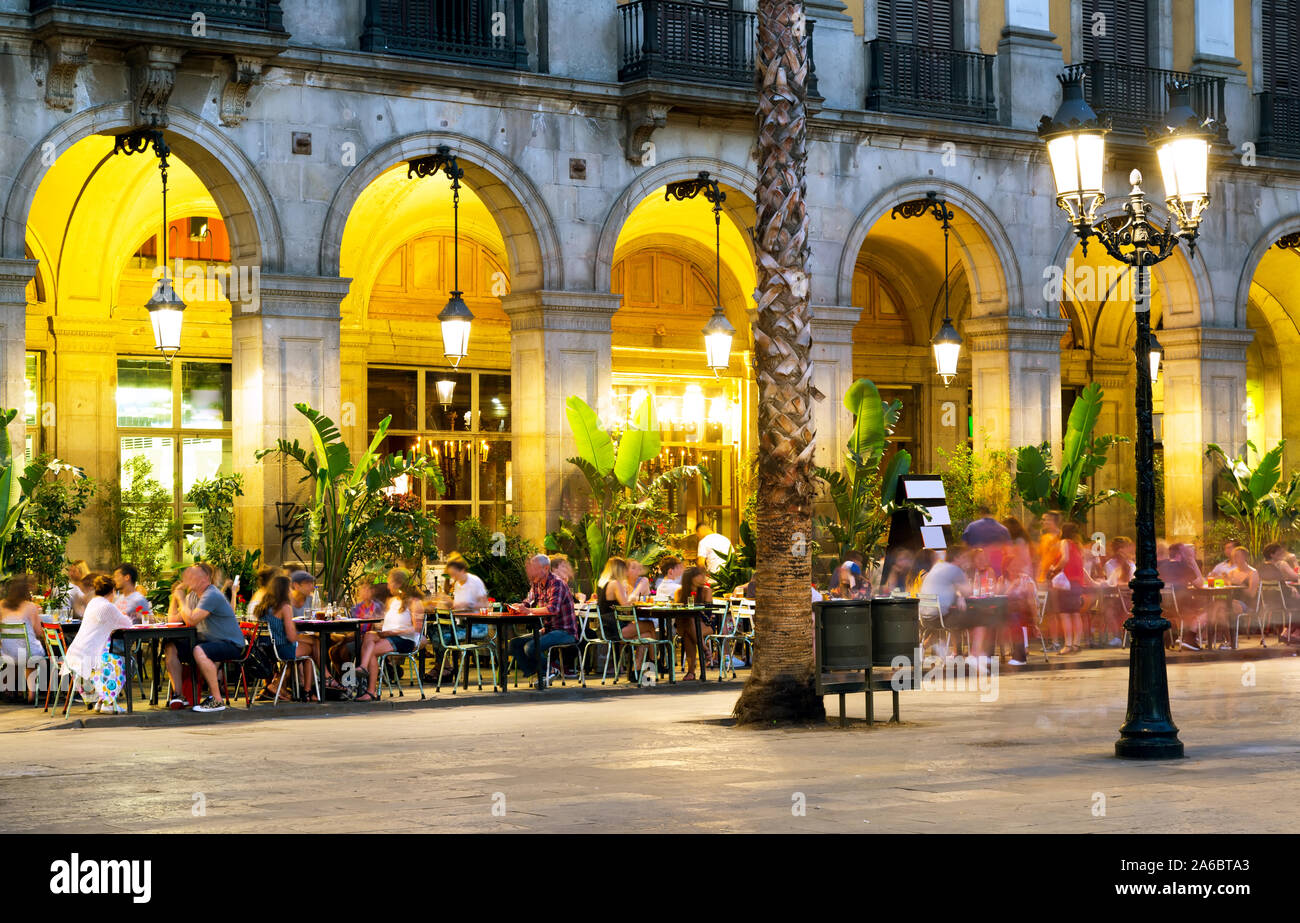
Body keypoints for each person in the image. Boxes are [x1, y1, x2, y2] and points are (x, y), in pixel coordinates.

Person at [163, 563, 247, 712]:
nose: (189, 579)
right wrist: (175, 598)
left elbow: (191, 620)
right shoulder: (194, 596)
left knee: (199, 650)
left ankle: (217, 700)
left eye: (193, 575)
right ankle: (178, 695)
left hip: (231, 643)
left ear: (205, 578)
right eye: (188, 576)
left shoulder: (211, 594)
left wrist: (181, 600)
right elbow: (173, 621)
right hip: (210, 640)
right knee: (171, 646)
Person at [61, 574, 133, 713]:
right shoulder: (107, 606)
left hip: (75, 656)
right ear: (113, 591)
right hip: (89, 658)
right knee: (126, 661)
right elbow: (127, 624)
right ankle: (108, 702)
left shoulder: (93, 603)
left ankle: (102, 700)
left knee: (111, 660)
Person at [508, 554, 579, 686]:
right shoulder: (536, 583)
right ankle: (542, 673)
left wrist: (529, 611)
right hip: (548, 630)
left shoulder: (557, 583)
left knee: (530, 647)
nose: (532, 572)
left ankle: (550, 670)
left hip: (565, 632)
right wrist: (519, 607)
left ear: (546, 568)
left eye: (535, 568)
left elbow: (553, 609)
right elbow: (529, 601)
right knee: (514, 644)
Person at [356, 568, 425, 702]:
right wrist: (381, 628)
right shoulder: (393, 601)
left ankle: (371, 690)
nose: (388, 586)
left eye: (390, 583)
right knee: (369, 635)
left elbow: (416, 629)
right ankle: (364, 668)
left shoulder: (414, 602)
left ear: (398, 584)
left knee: (370, 652)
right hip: (389, 635)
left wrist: (393, 632)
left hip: (404, 639)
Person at [255, 574, 309, 701]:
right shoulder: (285, 607)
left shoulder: (262, 607)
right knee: (312, 648)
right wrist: (306, 638)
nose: (291, 591)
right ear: (284, 590)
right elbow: (291, 637)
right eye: (290, 588)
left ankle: (280, 686)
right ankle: (308, 691)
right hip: (280, 649)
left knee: (306, 647)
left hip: (265, 650)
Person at [918, 546, 972, 657]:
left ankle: (926, 647)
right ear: (957, 557)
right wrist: (965, 571)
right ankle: (968, 654)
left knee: (954, 616)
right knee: (974, 617)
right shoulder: (955, 569)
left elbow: (948, 590)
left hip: (925, 618)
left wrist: (959, 595)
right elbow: (969, 591)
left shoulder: (938, 567)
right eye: (964, 557)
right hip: (939, 618)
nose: (967, 560)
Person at [1049, 522, 1094, 655]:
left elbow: (1065, 559)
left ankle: (1067, 645)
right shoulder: (1078, 546)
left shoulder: (1064, 543)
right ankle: (1076, 644)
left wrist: (1054, 568)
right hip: (1077, 584)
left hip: (1066, 583)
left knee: (1065, 615)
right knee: (1075, 614)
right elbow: (1081, 566)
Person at [1, 575, 44, 703]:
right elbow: (39, 632)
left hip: (6, 652)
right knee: (30, 656)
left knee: (17, 657)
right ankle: (31, 692)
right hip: (27, 652)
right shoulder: (30, 606)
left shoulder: (1, 605)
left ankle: (8, 688)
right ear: (26, 591)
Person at [1159, 543, 1206, 650]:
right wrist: (1194, 563)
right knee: (1210, 607)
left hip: (1165, 608)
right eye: (1186, 552)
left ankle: (1182, 636)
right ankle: (1190, 637)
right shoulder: (1184, 567)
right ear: (1180, 554)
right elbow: (1200, 584)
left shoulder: (1162, 567)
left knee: (1187, 606)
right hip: (1182, 606)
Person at [674, 567, 716, 680]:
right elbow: (676, 612)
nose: (704, 577)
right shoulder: (679, 592)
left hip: (705, 624)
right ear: (691, 578)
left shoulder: (706, 591)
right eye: (700, 575)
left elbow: (708, 613)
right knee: (689, 622)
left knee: (689, 629)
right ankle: (705, 649)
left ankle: (691, 672)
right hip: (684, 625)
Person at [446, 556, 490, 642]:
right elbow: (457, 606)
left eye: (454, 574)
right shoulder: (457, 585)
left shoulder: (475, 581)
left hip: (477, 625)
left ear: (462, 571)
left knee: (445, 636)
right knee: (435, 631)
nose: (453, 578)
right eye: (451, 575)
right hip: (462, 624)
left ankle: (461, 654)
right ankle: (453, 655)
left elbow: (485, 605)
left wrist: (469, 605)